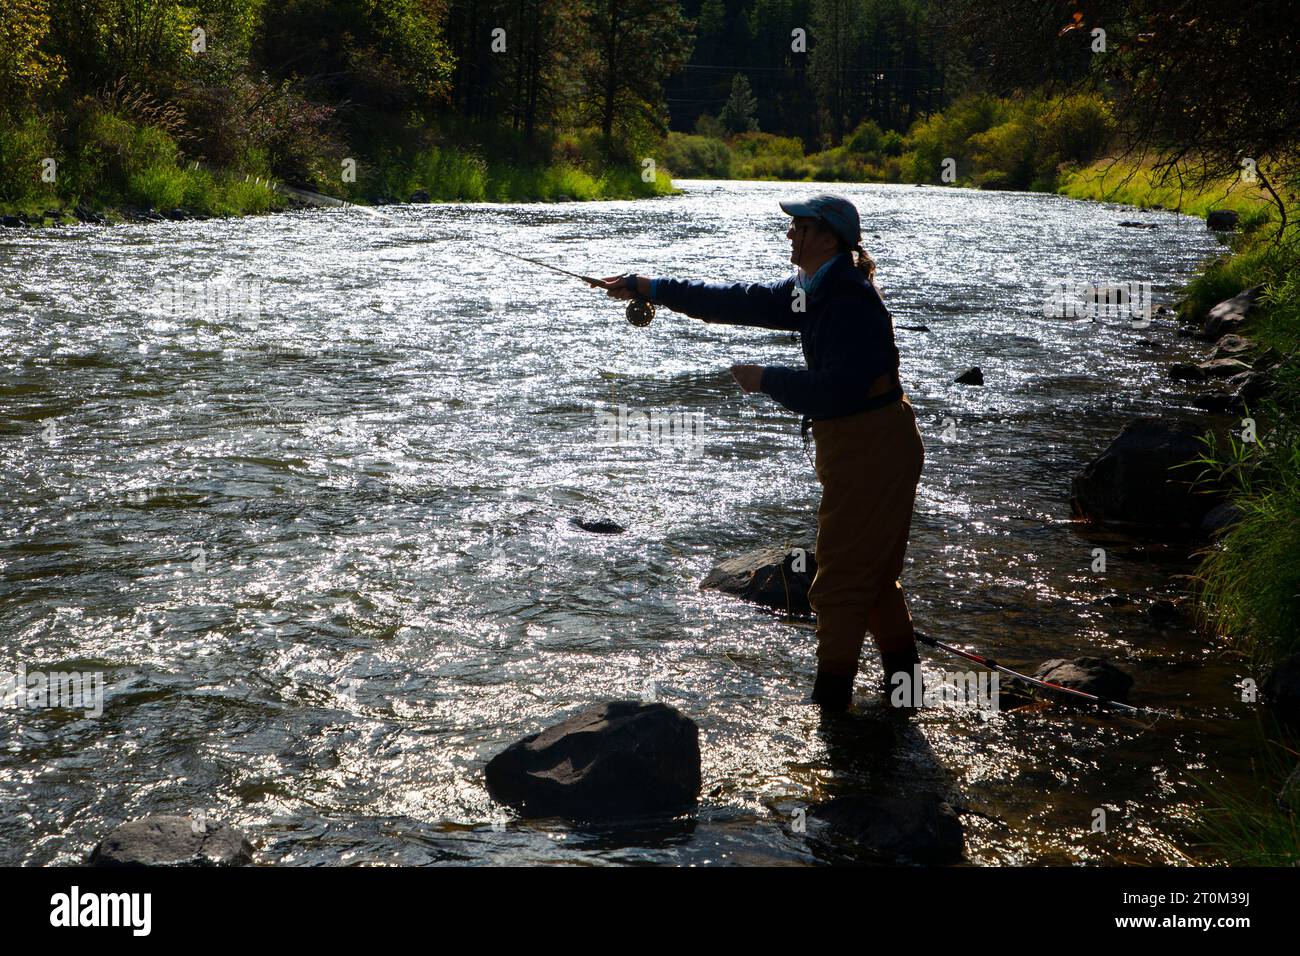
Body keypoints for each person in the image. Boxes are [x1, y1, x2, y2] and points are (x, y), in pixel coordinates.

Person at [597, 194, 925, 715]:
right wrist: (648, 286)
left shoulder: (847, 300)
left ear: (827, 237)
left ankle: (831, 717)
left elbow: (838, 389)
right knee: (874, 579)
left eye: (799, 226)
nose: (790, 233)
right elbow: (734, 300)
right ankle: (905, 702)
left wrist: (766, 379)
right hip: (866, 446)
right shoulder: (816, 290)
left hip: (872, 449)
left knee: (839, 584)